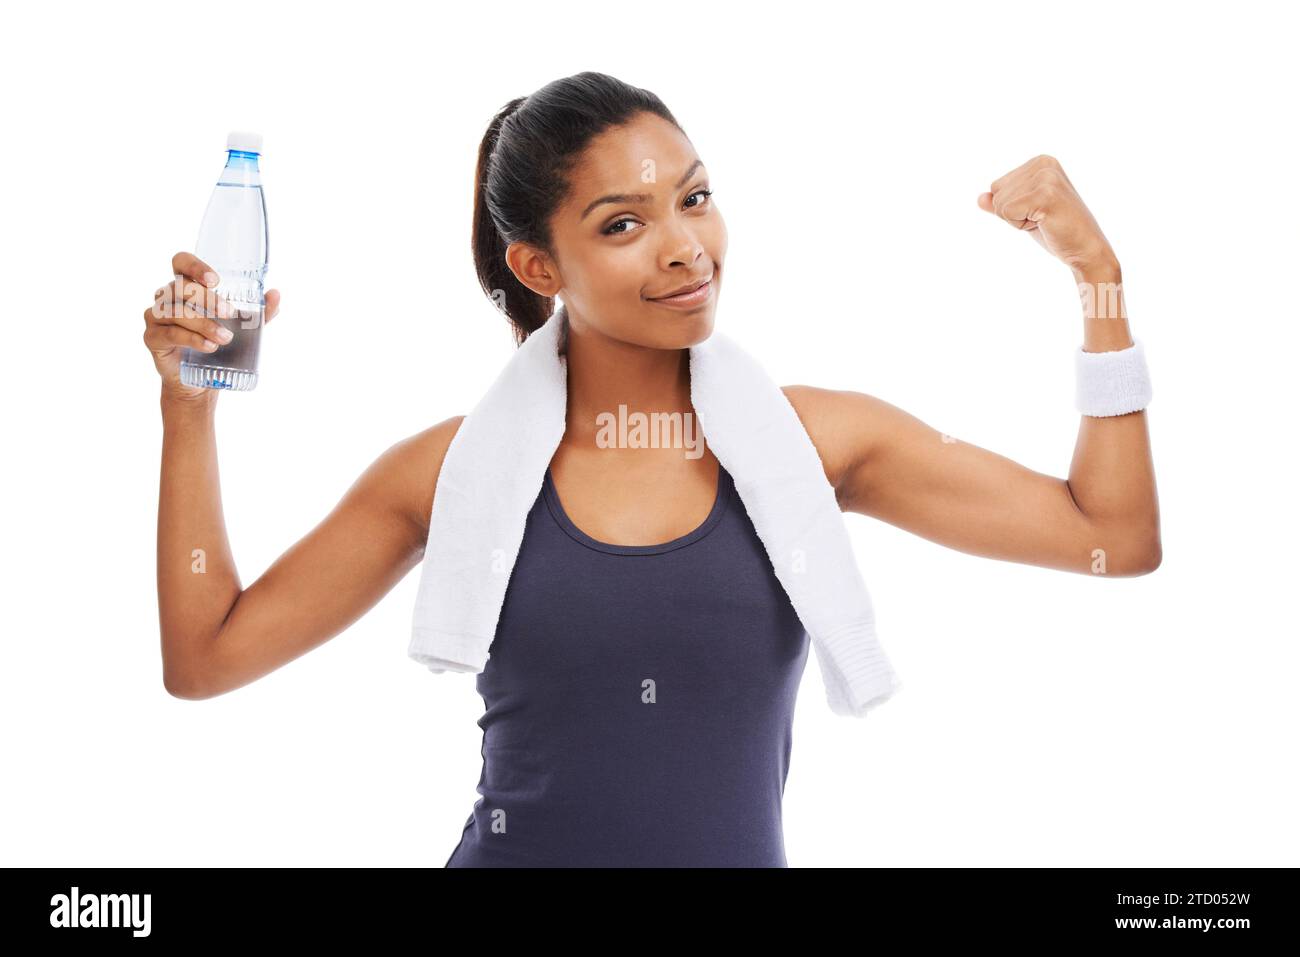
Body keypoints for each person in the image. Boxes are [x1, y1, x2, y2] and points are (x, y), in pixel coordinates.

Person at [145, 71, 1161, 867]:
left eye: (695, 199)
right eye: (623, 224)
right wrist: (186, 411)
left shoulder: (813, 446)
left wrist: (1097, 281)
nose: (686, 249)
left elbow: (1111, 539)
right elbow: (207, 659)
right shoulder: (453, 473)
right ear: (539, 268)